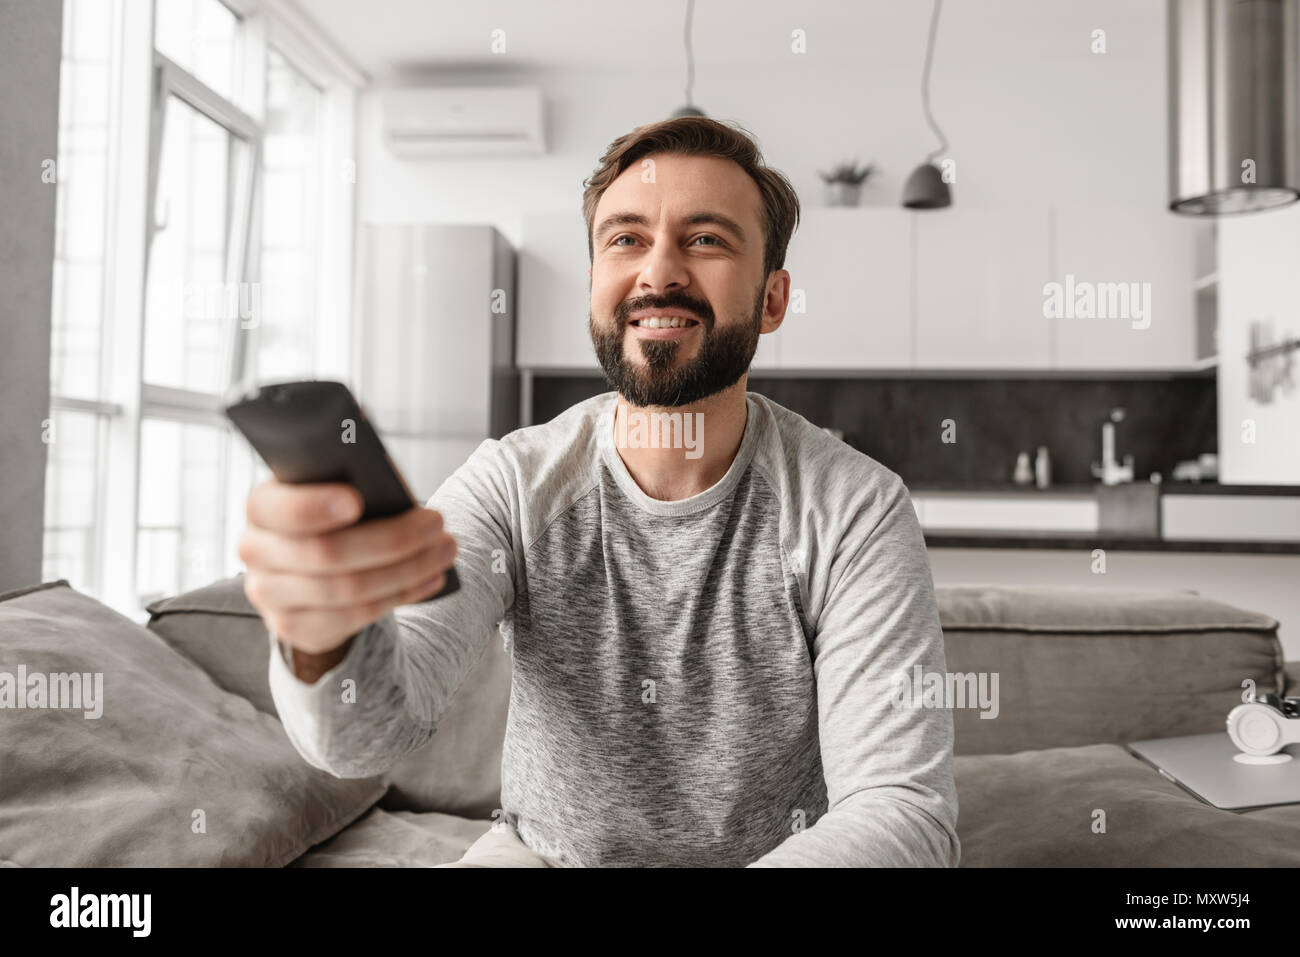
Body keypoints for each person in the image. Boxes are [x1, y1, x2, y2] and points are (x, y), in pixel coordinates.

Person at [239, 116, 960, 868]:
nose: (659, 273)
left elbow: (902, 809)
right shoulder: (513, 484)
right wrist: (322, 640)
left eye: (706, 239)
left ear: (773, 299)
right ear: (594, 285)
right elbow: (367, 738)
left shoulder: (855, 508)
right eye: (625, 239)